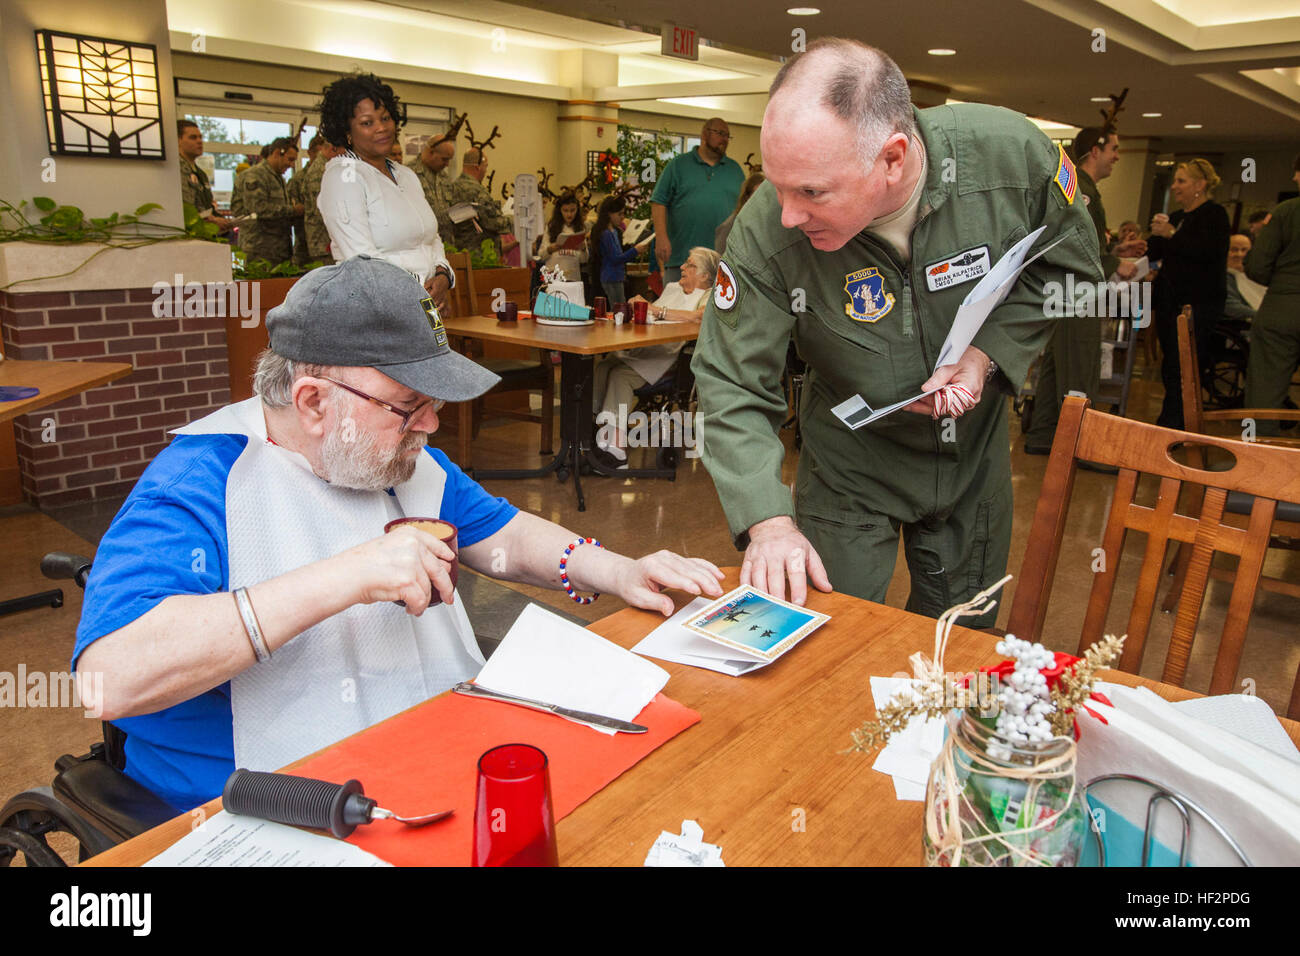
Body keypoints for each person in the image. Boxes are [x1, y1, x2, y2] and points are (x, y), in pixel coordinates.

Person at [71, 256, 724, 812]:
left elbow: (506, 536)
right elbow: (108, 679)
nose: (431, 426)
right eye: (409, 406)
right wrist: (346, 575)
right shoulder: (197, 483)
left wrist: (618, 571)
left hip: (415, 762)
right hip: (263, 800)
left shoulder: (404, 459)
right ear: (313, 403)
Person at [691, 38, 1100, 622]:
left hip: (972, 461)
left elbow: (1073, 266)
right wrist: (769, 522)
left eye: (811, 191)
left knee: (959, 652)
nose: (786, 214)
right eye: (776, 184)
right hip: (849, 467)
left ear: (892, 157)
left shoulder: (1012, 160)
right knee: (829, 643)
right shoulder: (767, 232)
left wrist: (987, 355)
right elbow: (730, 378)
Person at [1024, 126, 1145, 455]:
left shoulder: (1075, 183)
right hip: (1077, 291)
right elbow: (1070, 239)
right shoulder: (1079, 187)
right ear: (1096, 150)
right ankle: (1083, 447)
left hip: (1063, 289)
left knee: (1057, 365)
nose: (1117, 156)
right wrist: (1111, 263)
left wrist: (1116, 251)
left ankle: (1043, 435)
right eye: (1114, 149)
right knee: (1080, 368)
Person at [316, 73, 454, 314]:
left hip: (426, 309)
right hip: (378, 313)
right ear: (347, 131)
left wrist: (442, 274)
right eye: (367, 123)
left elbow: (431, 237)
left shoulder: (406, 175)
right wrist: (423, 286)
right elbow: (362, 260)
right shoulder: (344, 175)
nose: (381, 128)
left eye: (386, 118)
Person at [592, 247, 719, 469]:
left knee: (620, 375)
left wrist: (656, 310)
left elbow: (700, 318)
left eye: (690, 265)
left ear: (705, 275)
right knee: (604, 365)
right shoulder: (672, 289)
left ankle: (616, 448)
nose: (682, 267)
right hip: (646, 349)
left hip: (670, 359)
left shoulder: (709, 295)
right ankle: (594, 432)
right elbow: (651, 313)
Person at [1147, 158, 1230, 428]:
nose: (1175, 187)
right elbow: (1158, 253)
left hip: (1198, 306)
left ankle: (1177, 422)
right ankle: (1172, 419)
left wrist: (1171, 234)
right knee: (1171, 363)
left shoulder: (1215, 216)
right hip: (1169, 303)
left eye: (1181, 181)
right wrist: (1148, 241)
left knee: (1186, 366)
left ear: (1200, 185)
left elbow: (1207, 253)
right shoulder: (1177, 217)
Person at [1243, 156, 1300, 435]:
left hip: (1282, 309)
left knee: (1263, 390)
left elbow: (1257, 267)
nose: (1293, 179)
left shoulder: (1286, 211)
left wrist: (1280, 281)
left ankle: (1257, 460)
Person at [651, 118, 744, 283]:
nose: (724, 139)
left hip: (723, 261)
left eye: (727, 136)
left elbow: (744, 208)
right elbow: (659, 201)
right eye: (720, 133)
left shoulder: (735, 170)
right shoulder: (678, 165)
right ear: (704, 134)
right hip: (683, 259)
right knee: (675, 306)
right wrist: (661, 236)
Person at [233, 136, 303, 267]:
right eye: (290, 159)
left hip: (279, 250)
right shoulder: (255, 175)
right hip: (259, 250)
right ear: (277, 153)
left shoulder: (278, 179)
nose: (292, 165)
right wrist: (293, 210)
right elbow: (257, 208)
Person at [446, 148, 515, 255]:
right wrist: (513, 218)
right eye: (485, 166)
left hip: (461, 253)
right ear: (477, 167)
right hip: (480, 255)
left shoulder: (453, 187)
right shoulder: (476, 190)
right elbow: (494, 223)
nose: (486, 170)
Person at [291, 138, 343, 265]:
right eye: (344, 152)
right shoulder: (320, 172)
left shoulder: (327, 168)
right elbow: (321, 211)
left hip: (327, 243)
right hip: (323, 244)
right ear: (333, 149)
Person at [591, 196, 652, 304]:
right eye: (619, 214)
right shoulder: (605, 233)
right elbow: (615, 258)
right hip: (610, 278)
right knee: (618, 309)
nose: (622, 217)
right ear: (609, 214)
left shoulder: (614, 231)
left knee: (621, 306)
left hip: (617, 276)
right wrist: (635, 250)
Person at [176, 119, 230, 232]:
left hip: (205, 234)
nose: (199, 141)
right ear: (178, 140)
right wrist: (212, 220)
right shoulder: (176, 169)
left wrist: (220, 219)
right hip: (188, 233)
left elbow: (207, 205)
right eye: (193, 137)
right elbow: (187, 209)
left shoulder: (200, 173)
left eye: (200, 137)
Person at [408, 135, 457, 248]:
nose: (447, 164)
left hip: (447, 246)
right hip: (423, 247)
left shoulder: (444, 177)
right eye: (444, 159)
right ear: (430, 152)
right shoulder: (409, 174)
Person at [533, 193, 588, 282]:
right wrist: (550, 249)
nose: (569, 214)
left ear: (577, 210)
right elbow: (541, 255)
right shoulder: (551, 226)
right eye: (565, 211)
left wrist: (583, 249)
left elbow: (584, 260)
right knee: (550, 296)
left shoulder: (580, 228)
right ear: (560, 211)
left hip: (572, 278)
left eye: (572, 210)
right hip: (552, 277)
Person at [715, 172, 766, 255]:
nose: (763, 200)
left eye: (767, 195)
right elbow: (721, 261)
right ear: (747, 197)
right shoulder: (730, 226)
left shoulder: (773, 222)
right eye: (758, 195)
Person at [1225, 233, 1266, 319]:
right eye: (1234, 249)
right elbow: (1231, 307)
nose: (1239, 254)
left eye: (1244, 250)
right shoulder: (1223, 279)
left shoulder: (1258, 277)